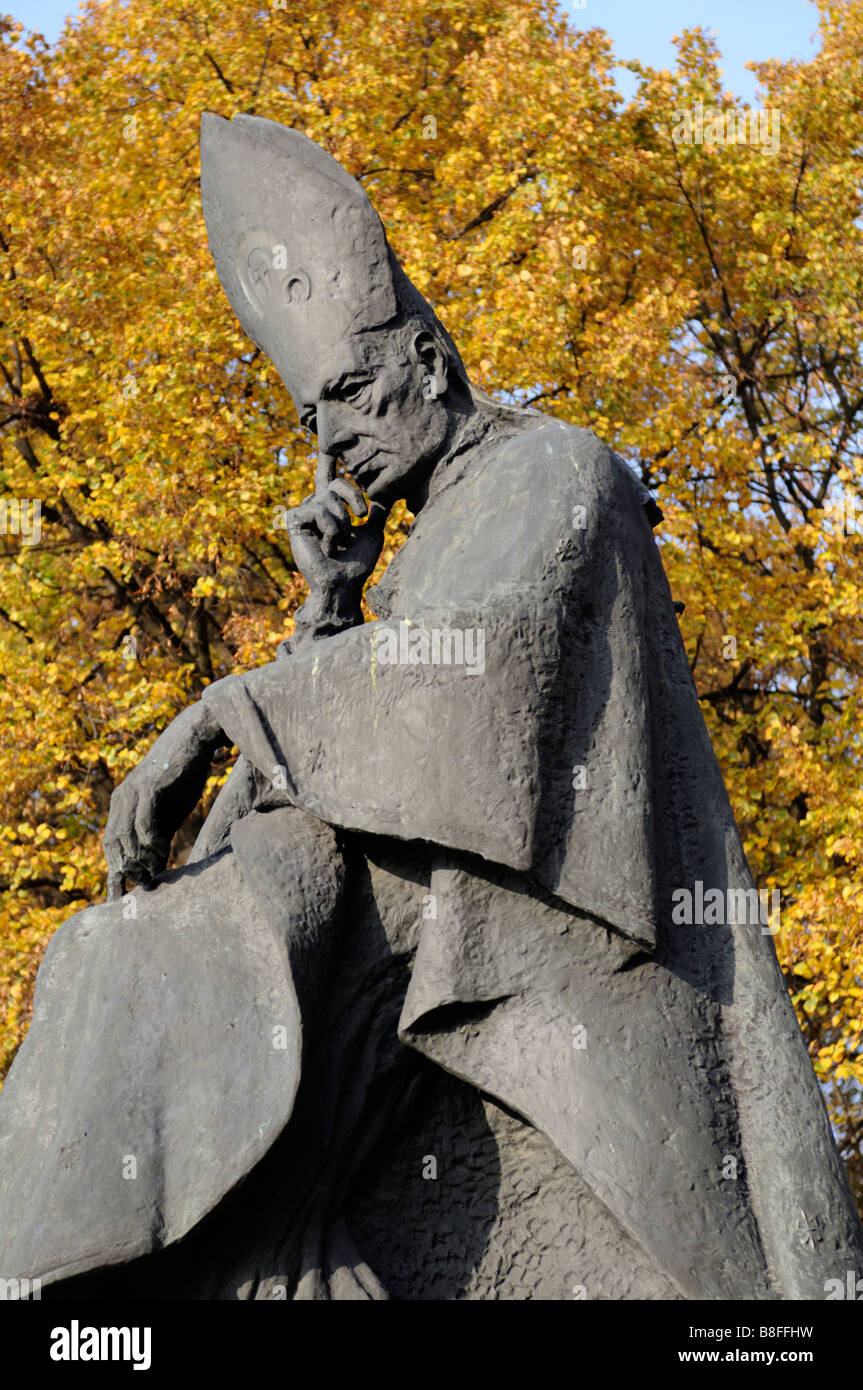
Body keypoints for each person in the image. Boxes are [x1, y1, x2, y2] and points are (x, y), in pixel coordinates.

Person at [0, 114, 860, 1301]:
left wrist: (214, 714)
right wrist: (332, 604)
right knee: (125, 947)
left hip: (537, 922)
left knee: (185, 948)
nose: (338, 435)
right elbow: (367, 732)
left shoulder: (554, 468)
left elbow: (471, 703)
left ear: (428, 360)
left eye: (353, 390)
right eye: (315, 418)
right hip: (402, 918)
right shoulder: (412, 544)